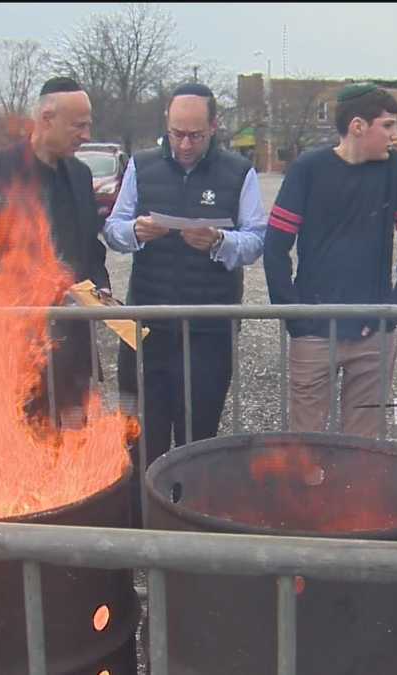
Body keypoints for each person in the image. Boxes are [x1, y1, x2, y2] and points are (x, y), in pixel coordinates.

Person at [103, 82, 266, 519]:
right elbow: (114, 227)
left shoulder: (238, 171)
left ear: (214, 126)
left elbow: (256, 239)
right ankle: (143, 524)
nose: (185, 144)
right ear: (167, 127)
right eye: (177, 133)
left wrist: (219, 241)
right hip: (148, 324)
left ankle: (192, 521)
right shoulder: (142, 165)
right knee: (143, 434)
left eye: (195, 134)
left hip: (208, 326)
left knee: (198, 436)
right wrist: (135, 232)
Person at [263, 83, 397, 439]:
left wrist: (394, 310)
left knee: (364, 448)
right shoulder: (308, 169)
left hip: (373, 336)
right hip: (314, 334)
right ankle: (308, 497)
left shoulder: (393, 169)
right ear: (358, 126)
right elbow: (275, 248)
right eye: (387, 126)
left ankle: (357, 498)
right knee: (305, 445)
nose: (395, 136)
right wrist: (295, 317)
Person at [0, 76, 111, 426]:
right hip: (16, 343)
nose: (87, 134)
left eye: (88, 124)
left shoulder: (80, 174)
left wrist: (100, 290)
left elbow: (89, 248)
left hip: (73, 343)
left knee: (75, 443)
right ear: (46, 118)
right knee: (20, 446)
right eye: (79, 125)